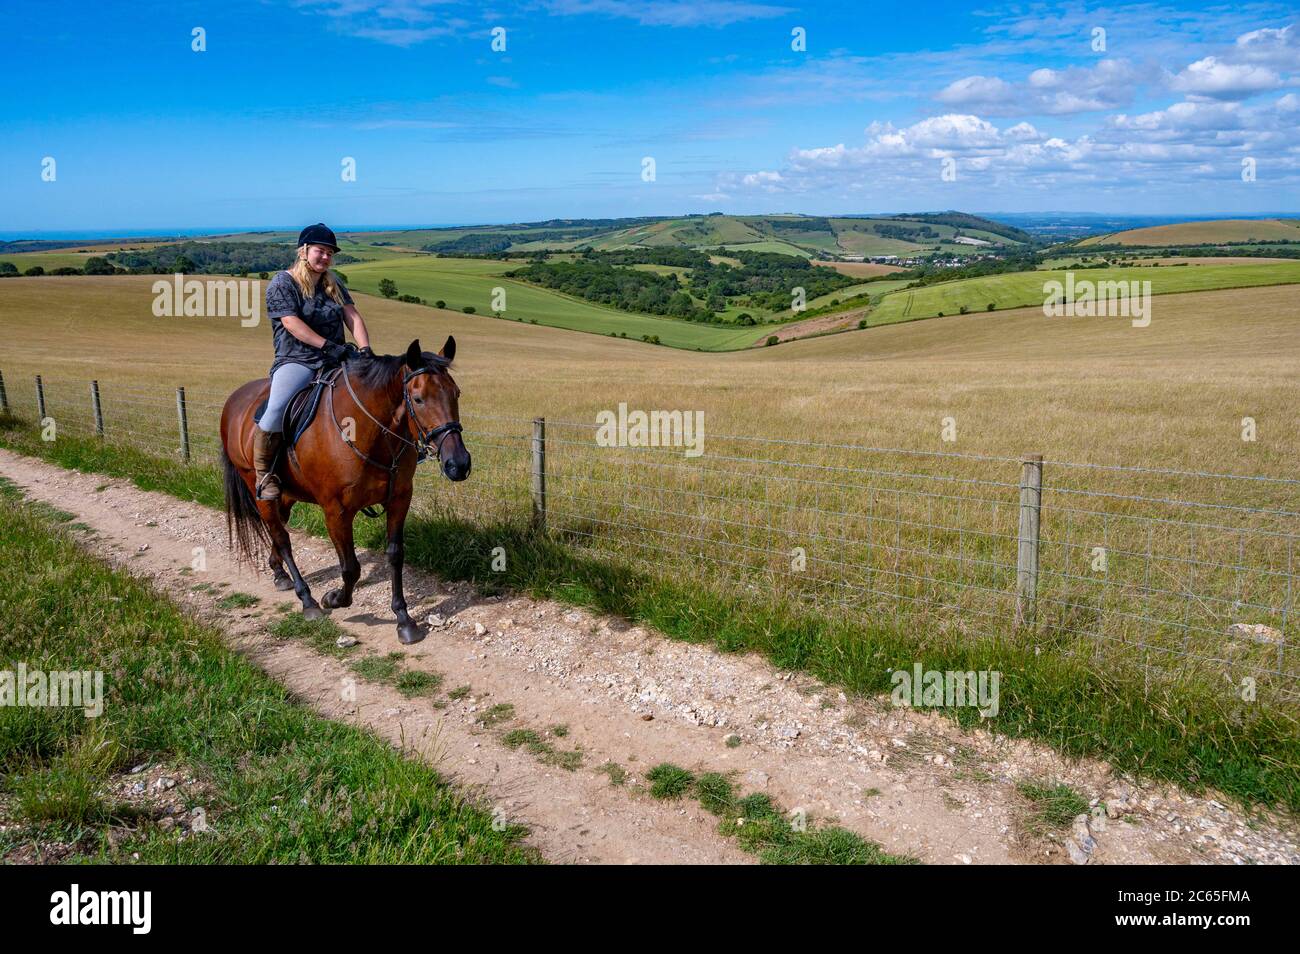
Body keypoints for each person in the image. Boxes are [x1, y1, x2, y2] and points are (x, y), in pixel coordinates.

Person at [254, 223, 372, 500]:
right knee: (277, 407)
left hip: (339, 358)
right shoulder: (283, 283)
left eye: (330, 253)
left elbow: (352, 316)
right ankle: (264, 473)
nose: (326, 257)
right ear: (304, 251)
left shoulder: (334, 283)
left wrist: (366, 350)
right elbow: (291, 323)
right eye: (321, 251)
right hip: (298, 359)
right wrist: (327, 346)